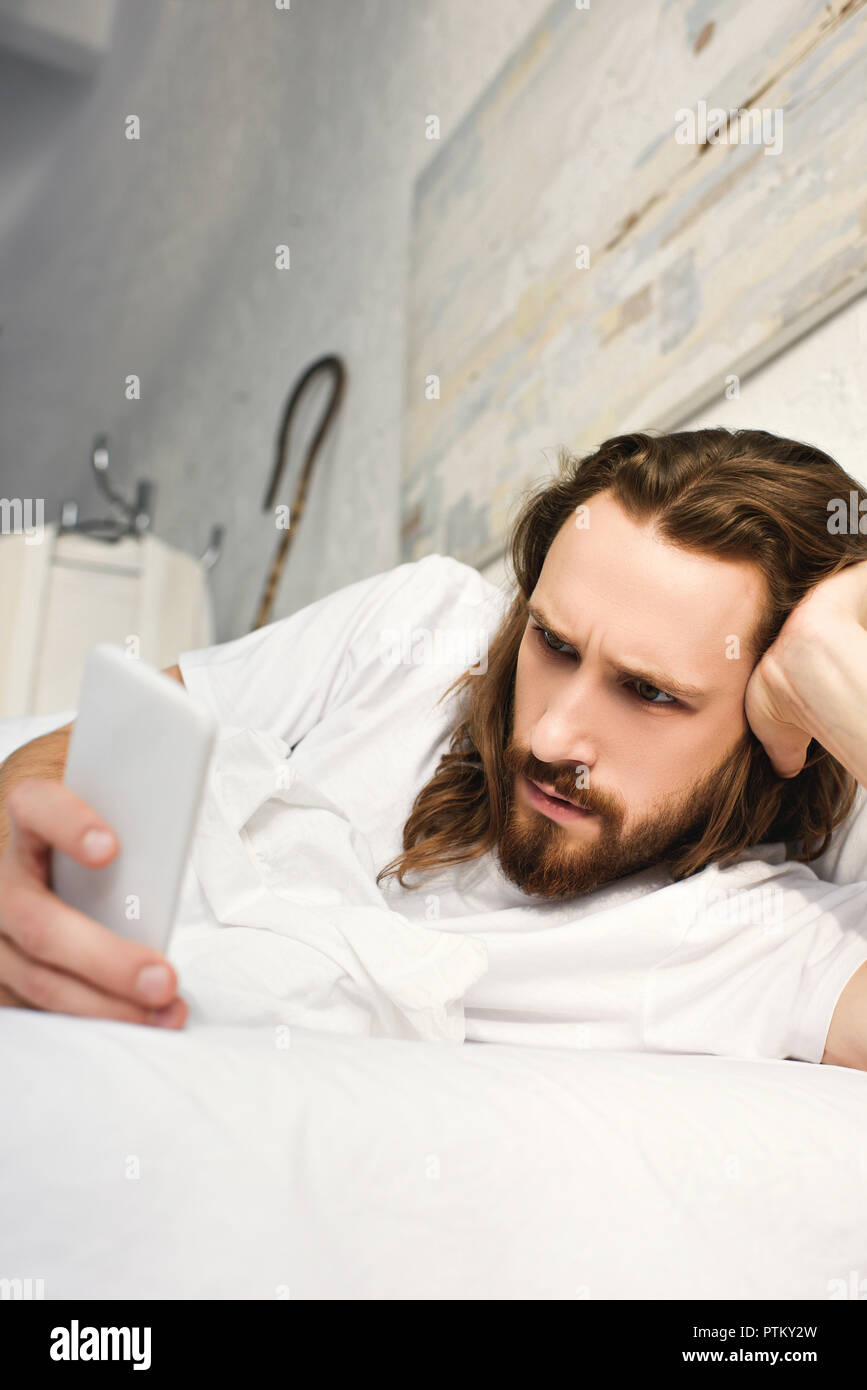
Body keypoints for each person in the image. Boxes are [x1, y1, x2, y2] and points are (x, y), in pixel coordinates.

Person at [2, 427, 867, 1067]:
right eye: (553, 645)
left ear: (780, 724)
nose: (554, 733)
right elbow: (138, 721)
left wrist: (839, 658)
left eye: (648, 693)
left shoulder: (756, 941)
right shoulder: (422, 626)